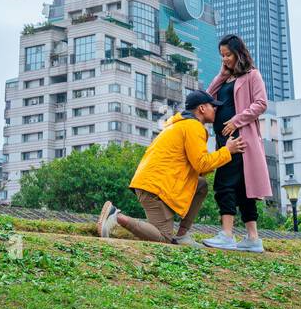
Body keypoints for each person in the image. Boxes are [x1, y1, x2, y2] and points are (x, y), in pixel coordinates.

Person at [97, 90, 245, 245]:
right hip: (156, 189)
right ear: (202, 108)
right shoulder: (193, 127)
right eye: (212, 106)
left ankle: (182, 235)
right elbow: (201, 163)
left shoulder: (181, 125)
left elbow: (197, 168)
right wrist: (227, 151)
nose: (215, 109)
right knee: (164, 238)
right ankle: (116, 217)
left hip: (157, 184)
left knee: (200, 185)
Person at [202, 34, 272, 253]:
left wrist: (235, 120)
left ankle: (227, 234)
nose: (225, 59)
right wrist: (220, 76)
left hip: (240, 139)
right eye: (222, 56)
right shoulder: (226, 78)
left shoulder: (252, 75)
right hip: (225, 139)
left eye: (228, 55)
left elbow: (261, 104)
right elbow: (206, 99)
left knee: (224, 184)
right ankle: (253, 238)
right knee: (243, 189)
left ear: (238, 53)